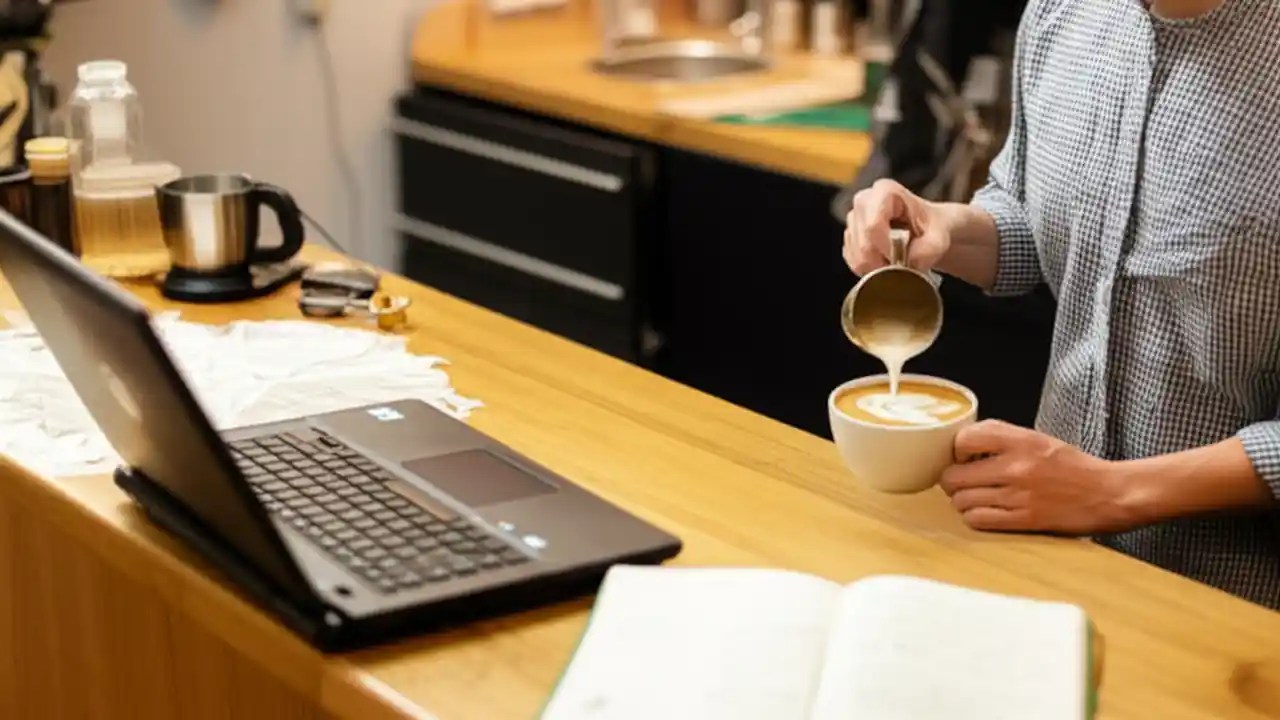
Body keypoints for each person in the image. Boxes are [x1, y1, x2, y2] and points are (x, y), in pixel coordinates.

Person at [842, 0, 1280, 609]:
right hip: (1050, 564)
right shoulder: (1062, 13)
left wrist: (1114, 493)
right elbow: (1036, 220)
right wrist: (941, 228)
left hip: (1235, 609)